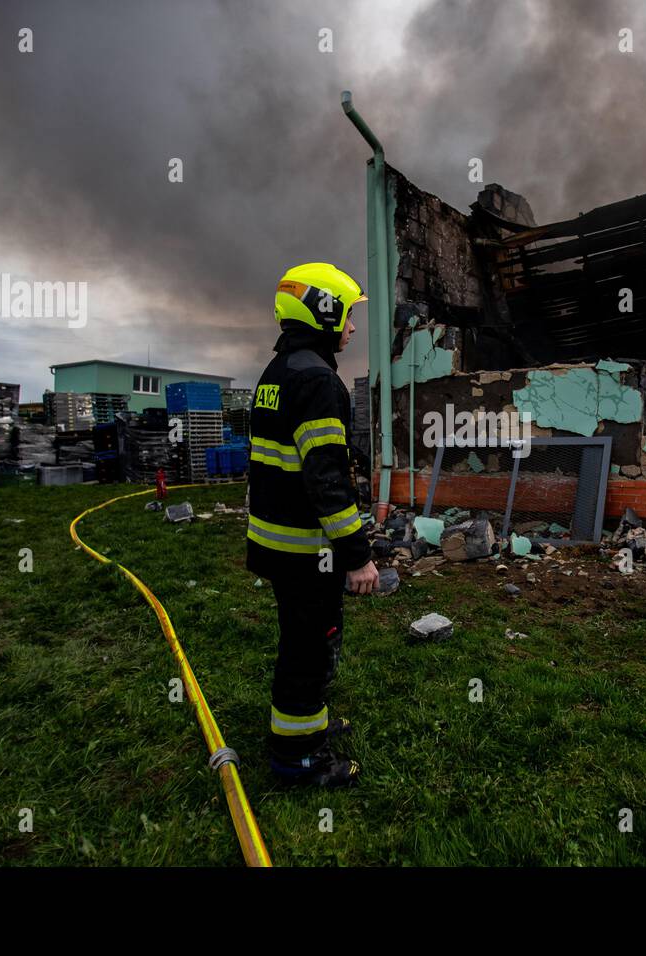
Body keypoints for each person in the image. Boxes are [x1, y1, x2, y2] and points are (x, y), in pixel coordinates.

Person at [247, 262, 379, 787]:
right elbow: (327, 482)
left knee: (301, 643)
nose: (351, 327)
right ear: (324, 311)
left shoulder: (276, 374)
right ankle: (299, 761)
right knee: (310, 649)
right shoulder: (320, 381)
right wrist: (358, 556)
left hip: (276, 546)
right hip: (306, 552)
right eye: (347, 315)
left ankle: (308, 728)